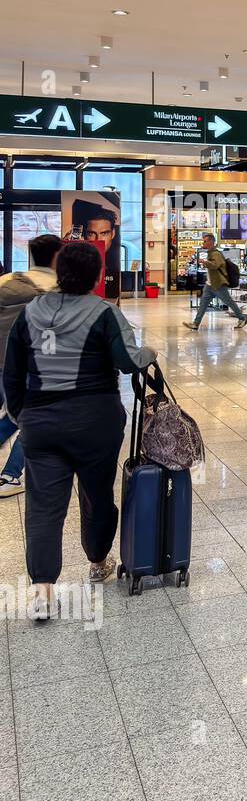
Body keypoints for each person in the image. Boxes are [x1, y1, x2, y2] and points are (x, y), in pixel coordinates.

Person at [3, 242, 157, 619]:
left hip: (41, 426)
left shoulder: (30, 313)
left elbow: (12, 374)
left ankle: (42, 593)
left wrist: (25, 417)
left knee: (42, 509)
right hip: (96, 423)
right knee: (97, 495)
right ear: (97, 275)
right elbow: (126, 361)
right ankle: (97, 561)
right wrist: (149, 352)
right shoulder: (104, 312)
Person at [0, 235, 62, 499]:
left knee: (15, 417)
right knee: (34, 419)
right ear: (57, 256)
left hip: (3, 364)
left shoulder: (6, 281)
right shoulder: (57, 290)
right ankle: (10, 475)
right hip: (34, 365)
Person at [186, 233, 247, 330]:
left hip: (218, 284)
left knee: (229, 302)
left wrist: (204, 262)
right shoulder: (211, 252)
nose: (203, 243)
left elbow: (215, 265)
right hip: (210, 284)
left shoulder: (215, 253)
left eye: (205, 241)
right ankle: (196, 323)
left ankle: (242, 318)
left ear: (211, 242)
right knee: (203, 304)